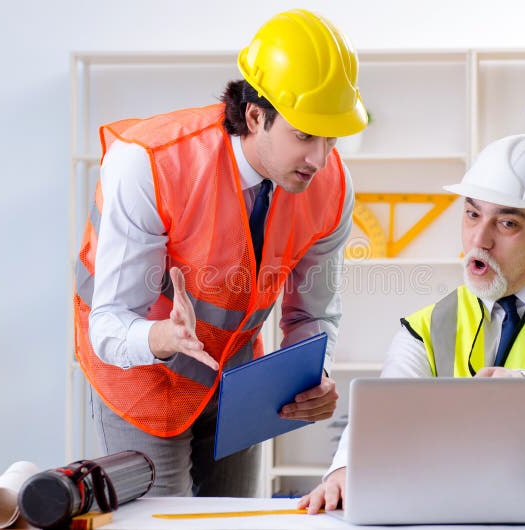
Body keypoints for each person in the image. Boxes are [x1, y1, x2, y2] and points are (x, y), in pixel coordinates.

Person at [72, 8, 368, 497]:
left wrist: (314, 374)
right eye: (304, 135)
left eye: (331, 137)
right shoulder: (149, 165)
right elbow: (108, 325)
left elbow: (314, 314)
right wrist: (166, 336)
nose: (320, 158)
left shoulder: (332, 184)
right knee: (160, 523)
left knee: (235, 519)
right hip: (143, 368)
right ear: (255, 116)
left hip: (234, 379)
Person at [299, 134, 525, 512]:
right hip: (478, 519)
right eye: (472, 214)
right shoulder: (427, 328)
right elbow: (386, 411)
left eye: (506, 223)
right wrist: (346, 467)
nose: (479, 239)